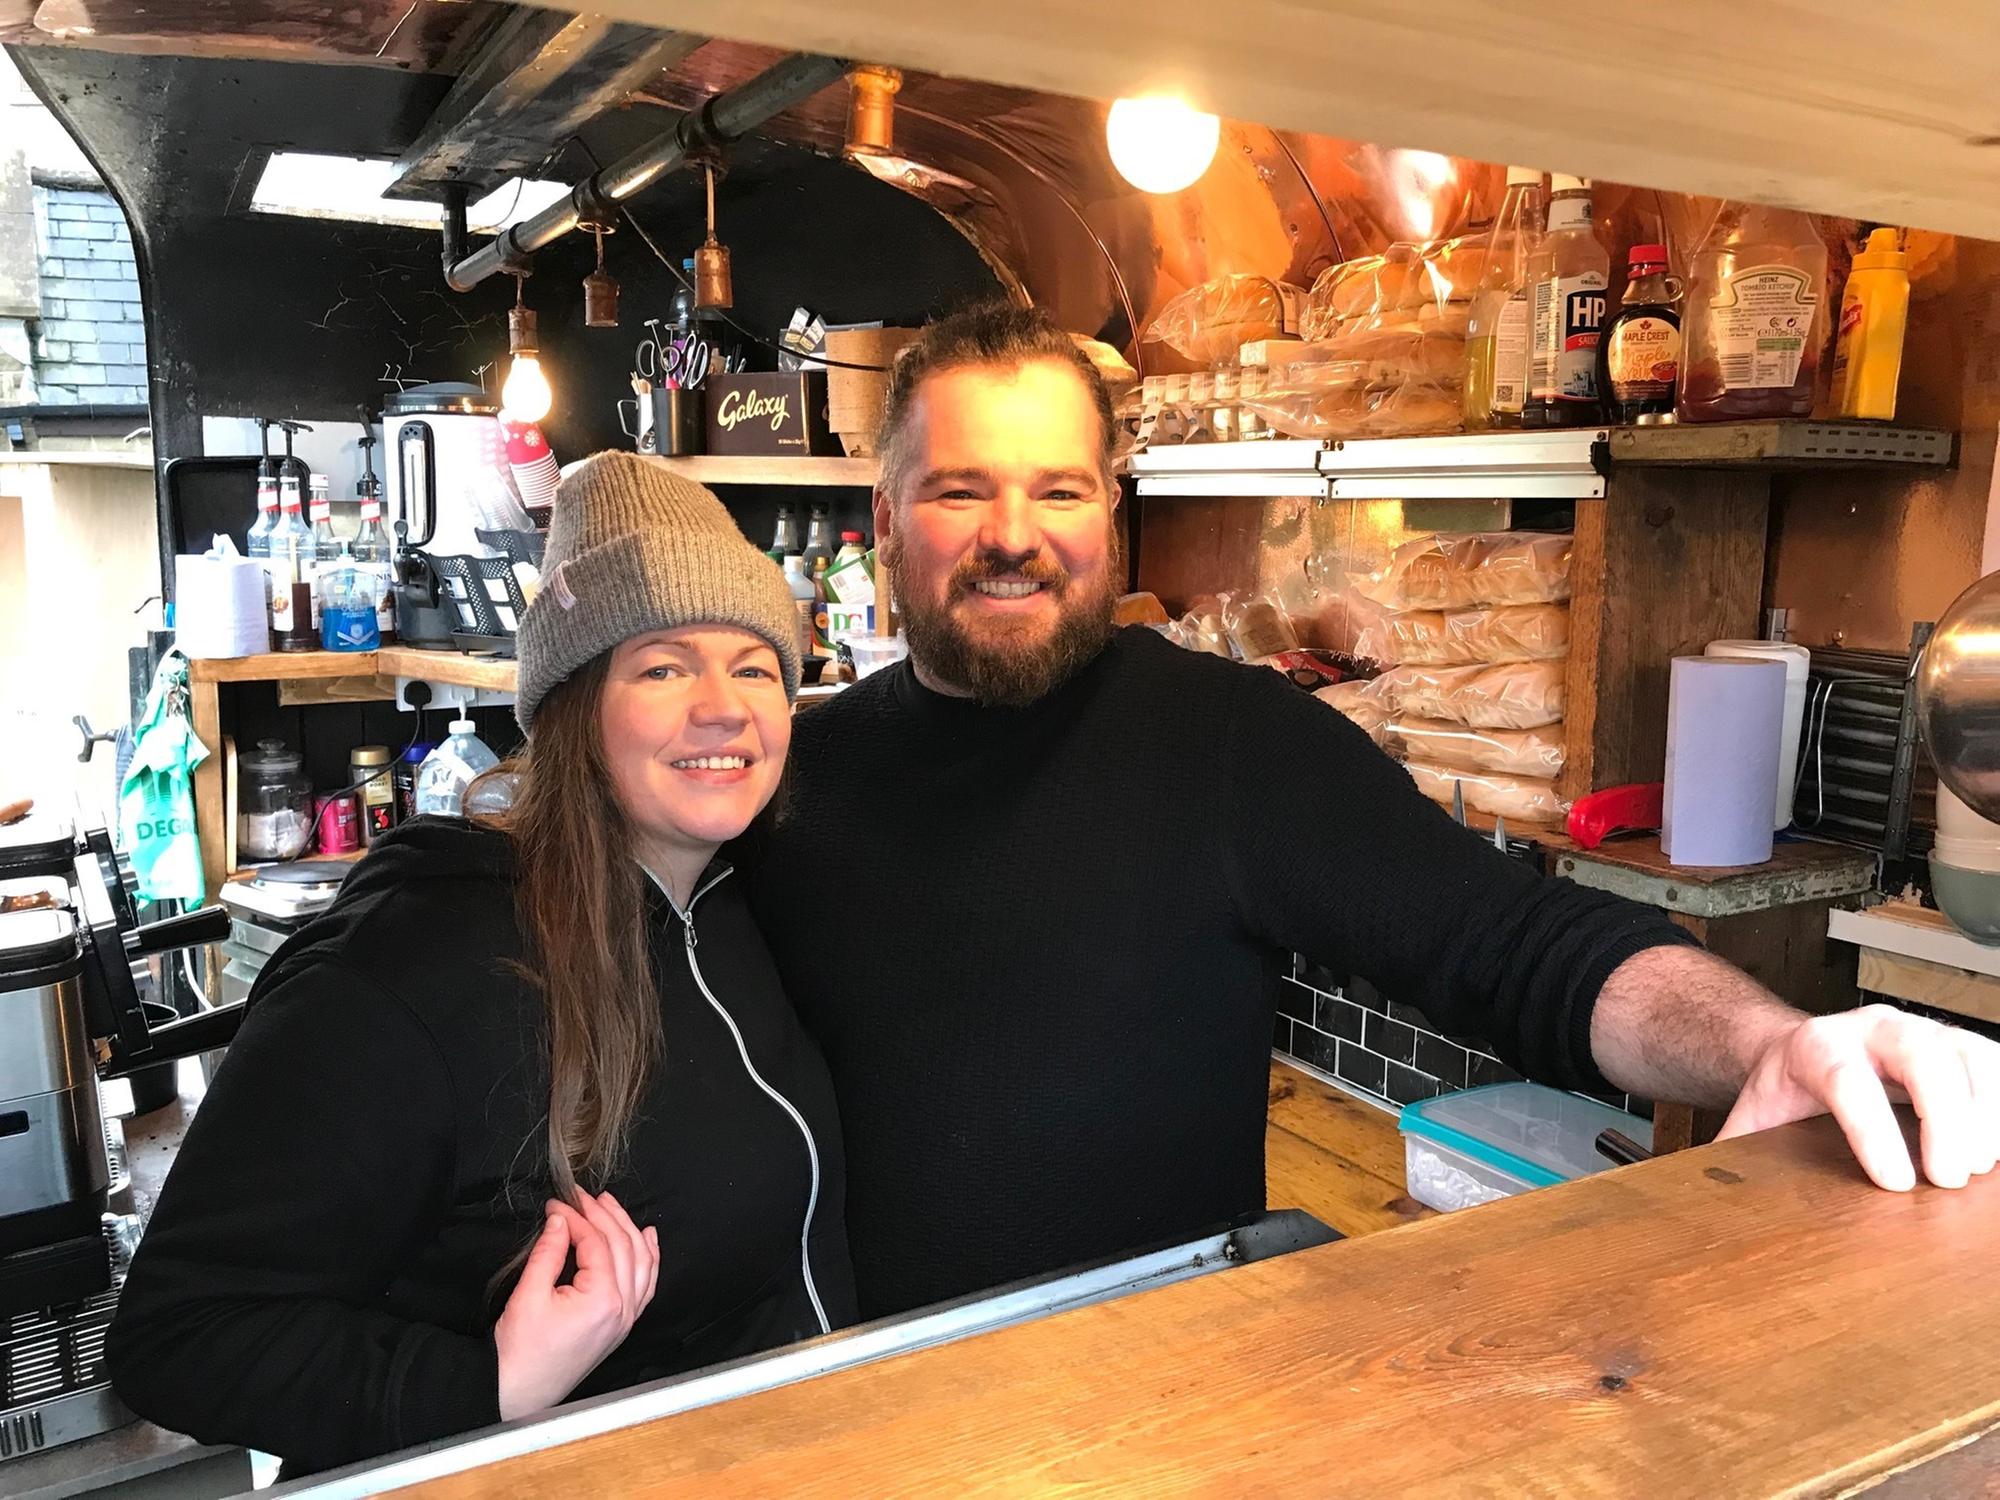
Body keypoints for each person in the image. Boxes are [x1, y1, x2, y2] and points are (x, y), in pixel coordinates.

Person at [747, 304, 2000, 1320]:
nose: (1013, 536)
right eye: (960, 490)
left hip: (1173, 1393)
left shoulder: (1230, 743)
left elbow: (1510, 947)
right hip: (880, 1395)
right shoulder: (790, 784)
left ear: (1110, 514)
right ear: (882, 521)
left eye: (1059, 491)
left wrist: (1768, 1042)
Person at [110, 454, 856, 1474]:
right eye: (662, 666)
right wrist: (489, 1387)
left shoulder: (733, 902)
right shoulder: (410, 968)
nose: (722, 706)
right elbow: (180, 1338)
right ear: (569, 706)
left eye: (755, 665)